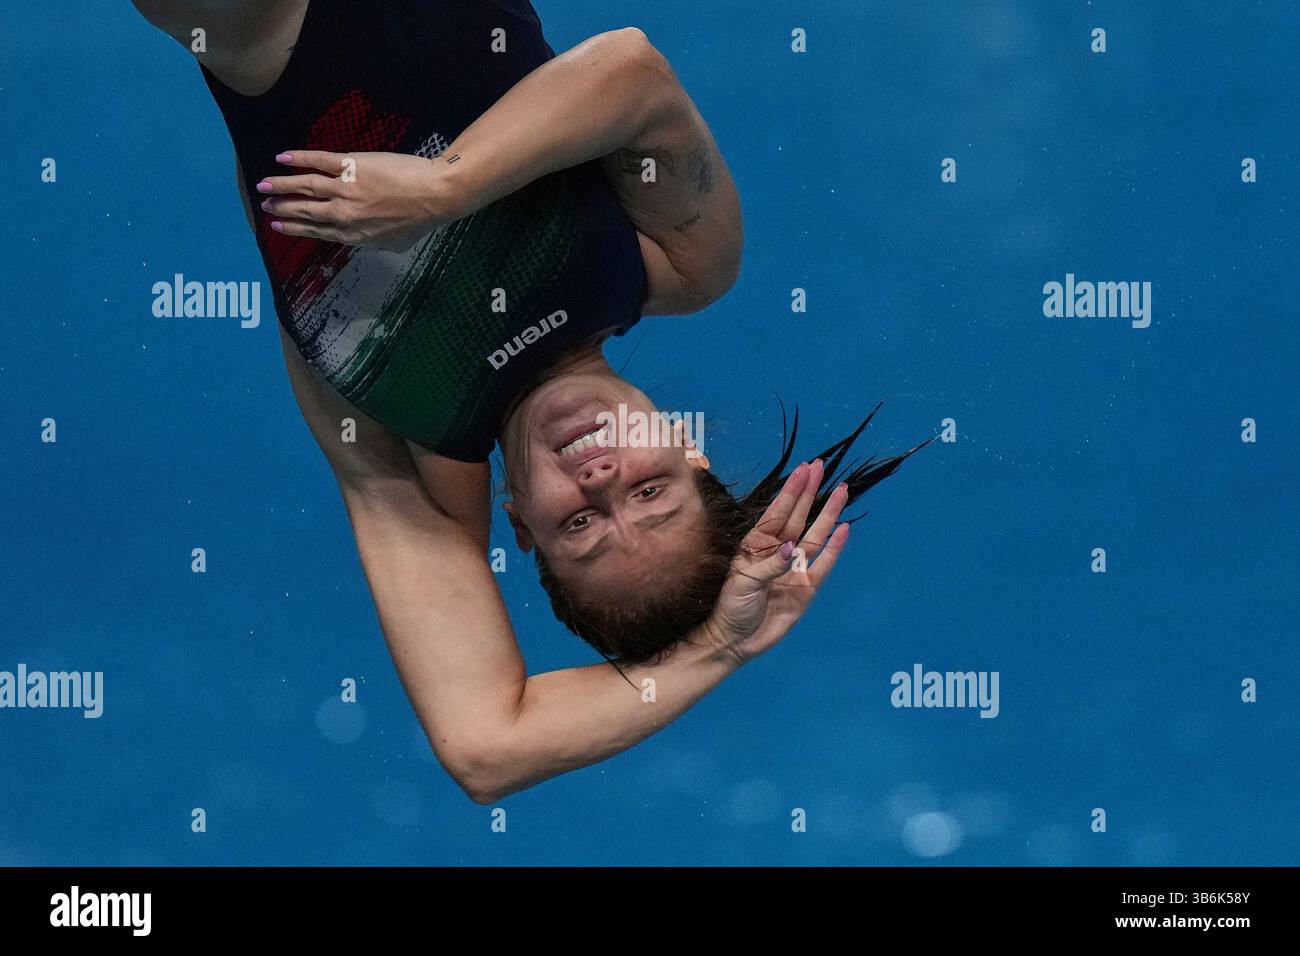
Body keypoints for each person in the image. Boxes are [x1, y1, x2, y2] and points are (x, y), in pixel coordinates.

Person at [132, 0, 925, 800]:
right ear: (688, 446)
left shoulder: (405, 465)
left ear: (518, 523)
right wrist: (446, 187)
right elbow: (633, 72)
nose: (600, 477)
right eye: (649, 491)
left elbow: (485, 747)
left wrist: (721, 645)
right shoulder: (677, 264)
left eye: (578, 525)